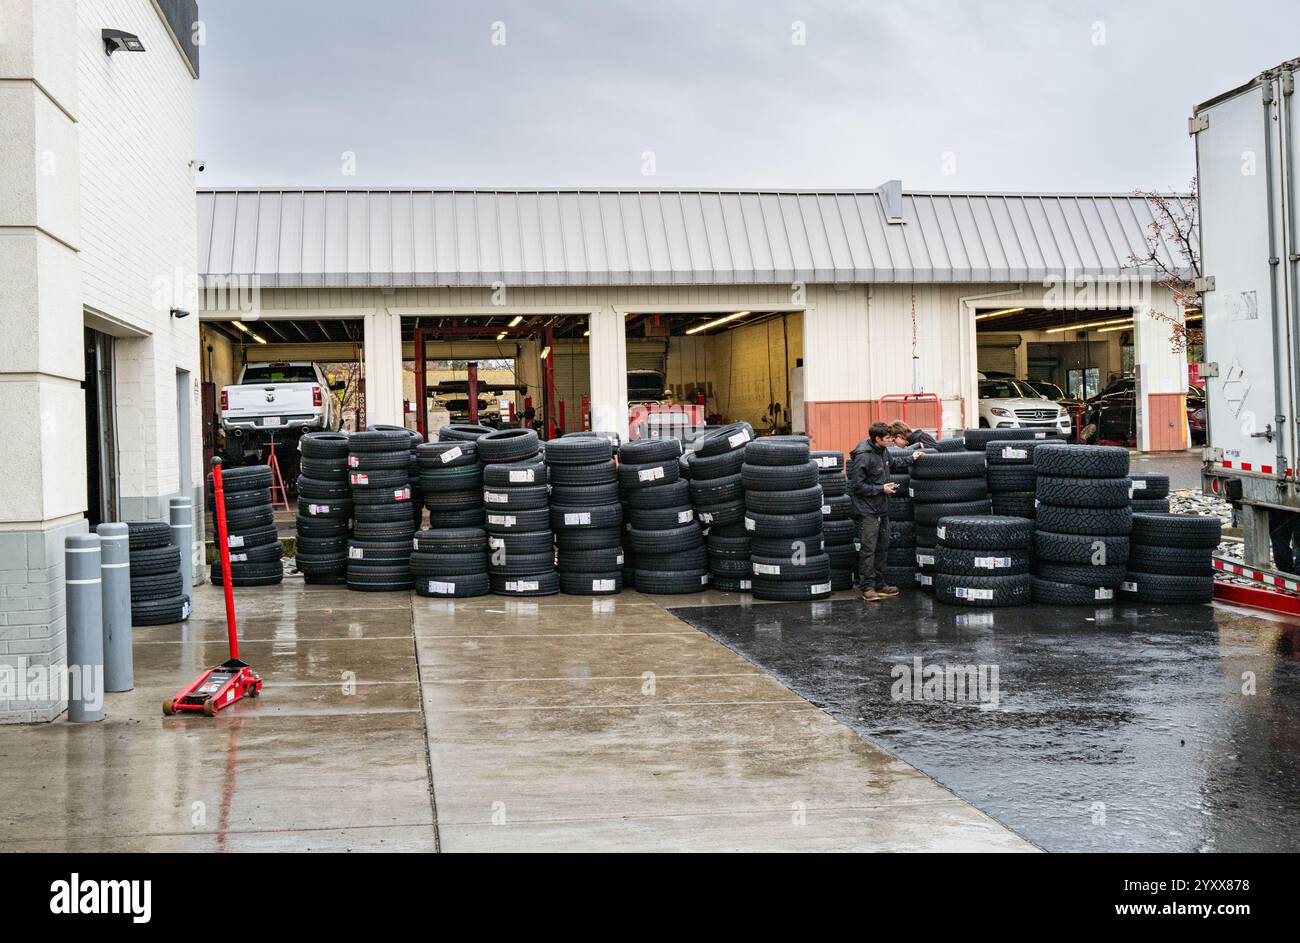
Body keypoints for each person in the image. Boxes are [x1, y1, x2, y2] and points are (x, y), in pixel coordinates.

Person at [848, 421, 924, 601]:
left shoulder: (883, 451)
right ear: (877, 439)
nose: (891, 440)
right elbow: (857, 486)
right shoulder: (863, 456)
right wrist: (881, 489)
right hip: (867, 510)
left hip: (882, 508)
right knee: (869, 549)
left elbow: (894, 462)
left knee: (883, 546)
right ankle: (867, 587)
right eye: (888, 438)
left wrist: (911, 457)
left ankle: (880, 583)